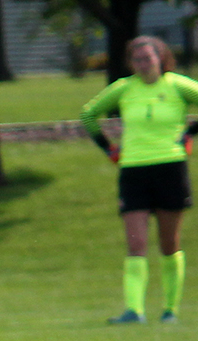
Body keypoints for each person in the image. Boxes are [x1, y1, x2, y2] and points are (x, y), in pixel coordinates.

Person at [77, 35, 198, 324]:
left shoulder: (176, 85)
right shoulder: (124, 89)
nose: (144, 64)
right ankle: (135, 310)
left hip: (170, 167)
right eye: (138, 59)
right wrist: (110, 149)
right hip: (133, 171)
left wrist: (189, 134)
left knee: (169, 243)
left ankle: (170, 310)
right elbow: (88, 115)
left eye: (149, 58)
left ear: (160, 58)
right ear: (131, 63)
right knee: (136, 243)